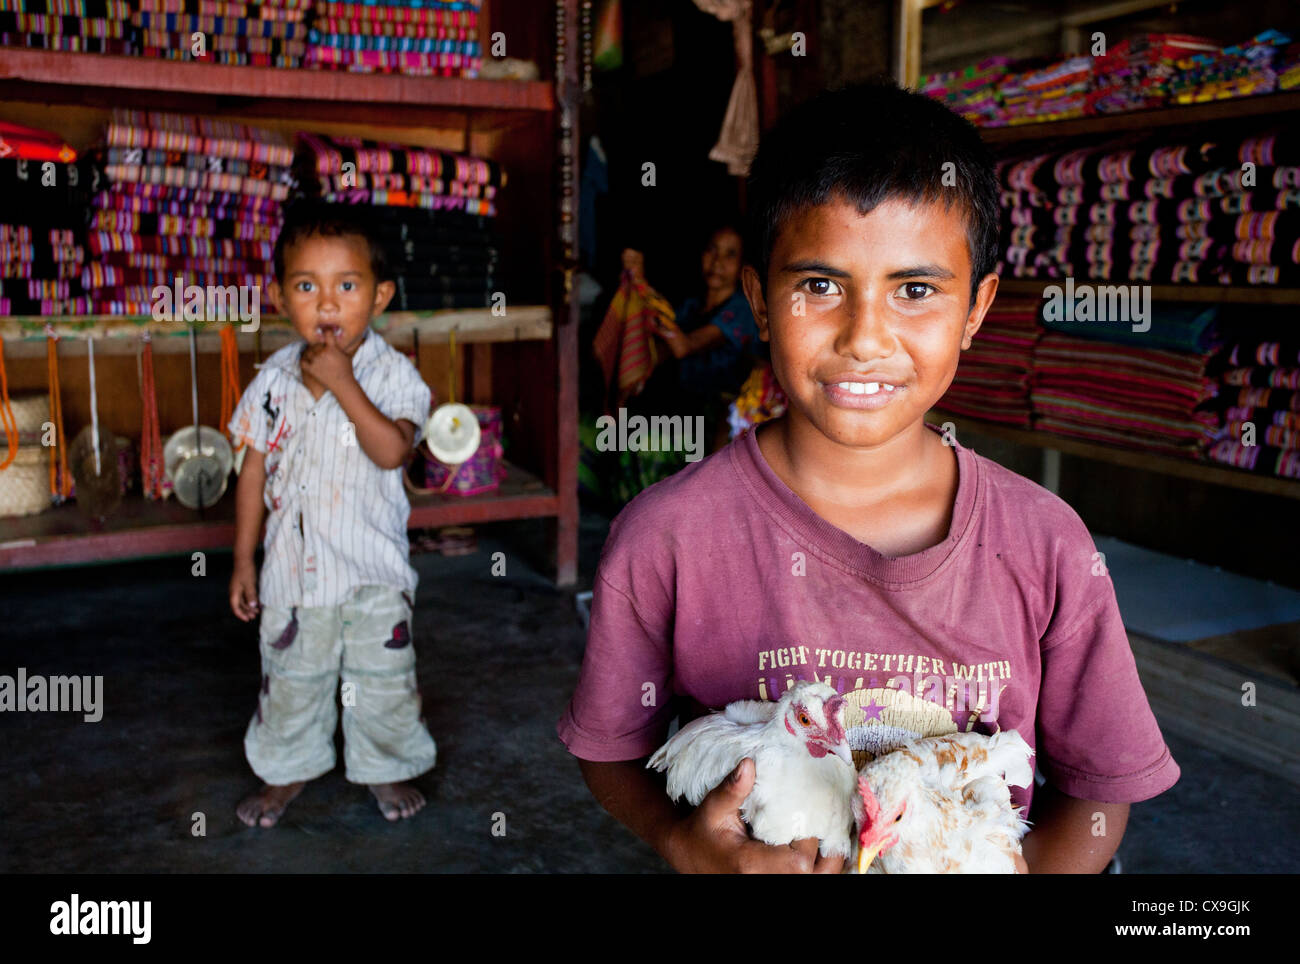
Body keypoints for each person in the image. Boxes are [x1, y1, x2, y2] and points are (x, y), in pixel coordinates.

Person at [557, 80, 1179, 873]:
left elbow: (1100, 791)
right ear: (759, 300)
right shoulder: (667, 536)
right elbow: (611, 751)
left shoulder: (1046, 543)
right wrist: (682, 842)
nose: (865, 337)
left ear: (976, 308)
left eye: (915, 290)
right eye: (820, 286)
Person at [227, 205, 436, 827]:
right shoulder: (272, 380)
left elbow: (392, 450)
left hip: (373, 571)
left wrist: (344, 384)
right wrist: (242, 560)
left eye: (346, 285)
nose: (326, 303)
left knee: (383, 679)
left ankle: (386, 765)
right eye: (305, 285)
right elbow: (252, 472)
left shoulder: (393, 374)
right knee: (293, 679)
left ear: (379, 297)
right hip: (294, 573)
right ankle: (286, 770)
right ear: (279, 298)